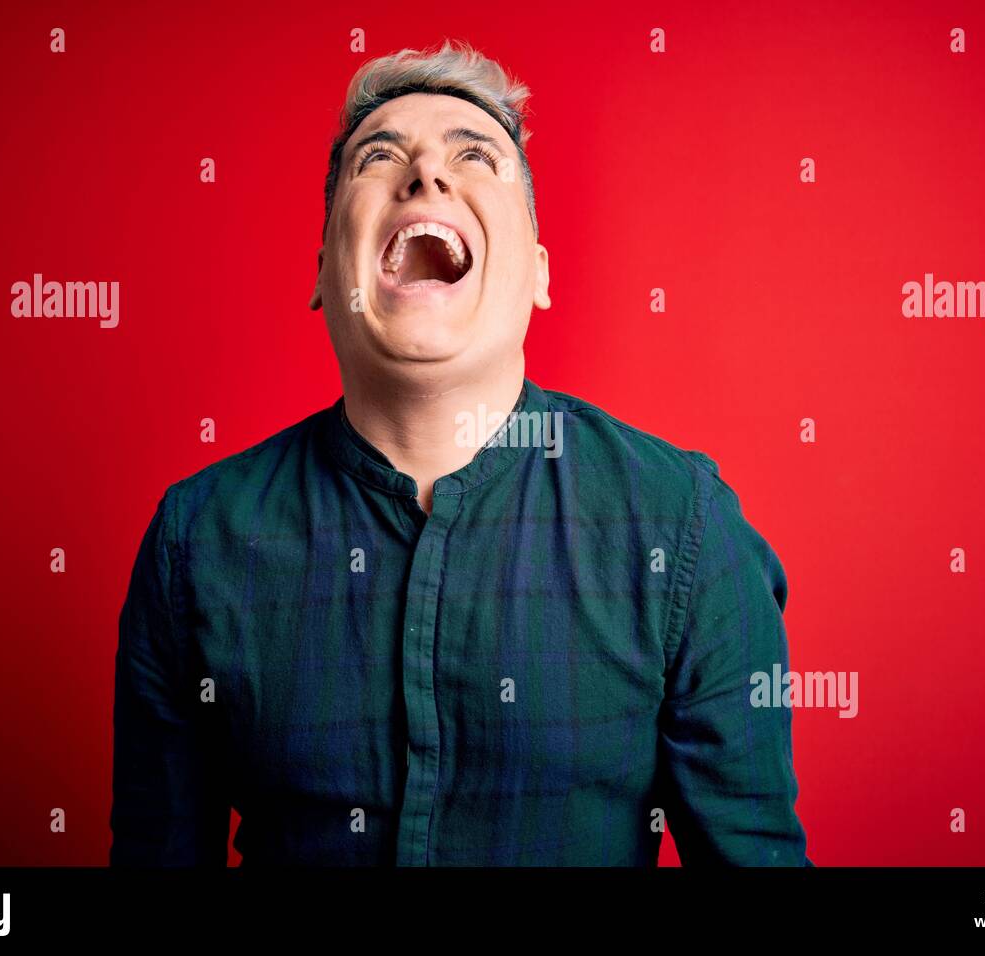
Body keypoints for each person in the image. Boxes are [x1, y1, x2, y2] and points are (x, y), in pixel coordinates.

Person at [110, 38, 810, 866]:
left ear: (540, 272)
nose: (427, 176)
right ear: (325, 273)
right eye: (381, 157)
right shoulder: (197, 539)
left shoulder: (682, 523)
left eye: (474, 156)